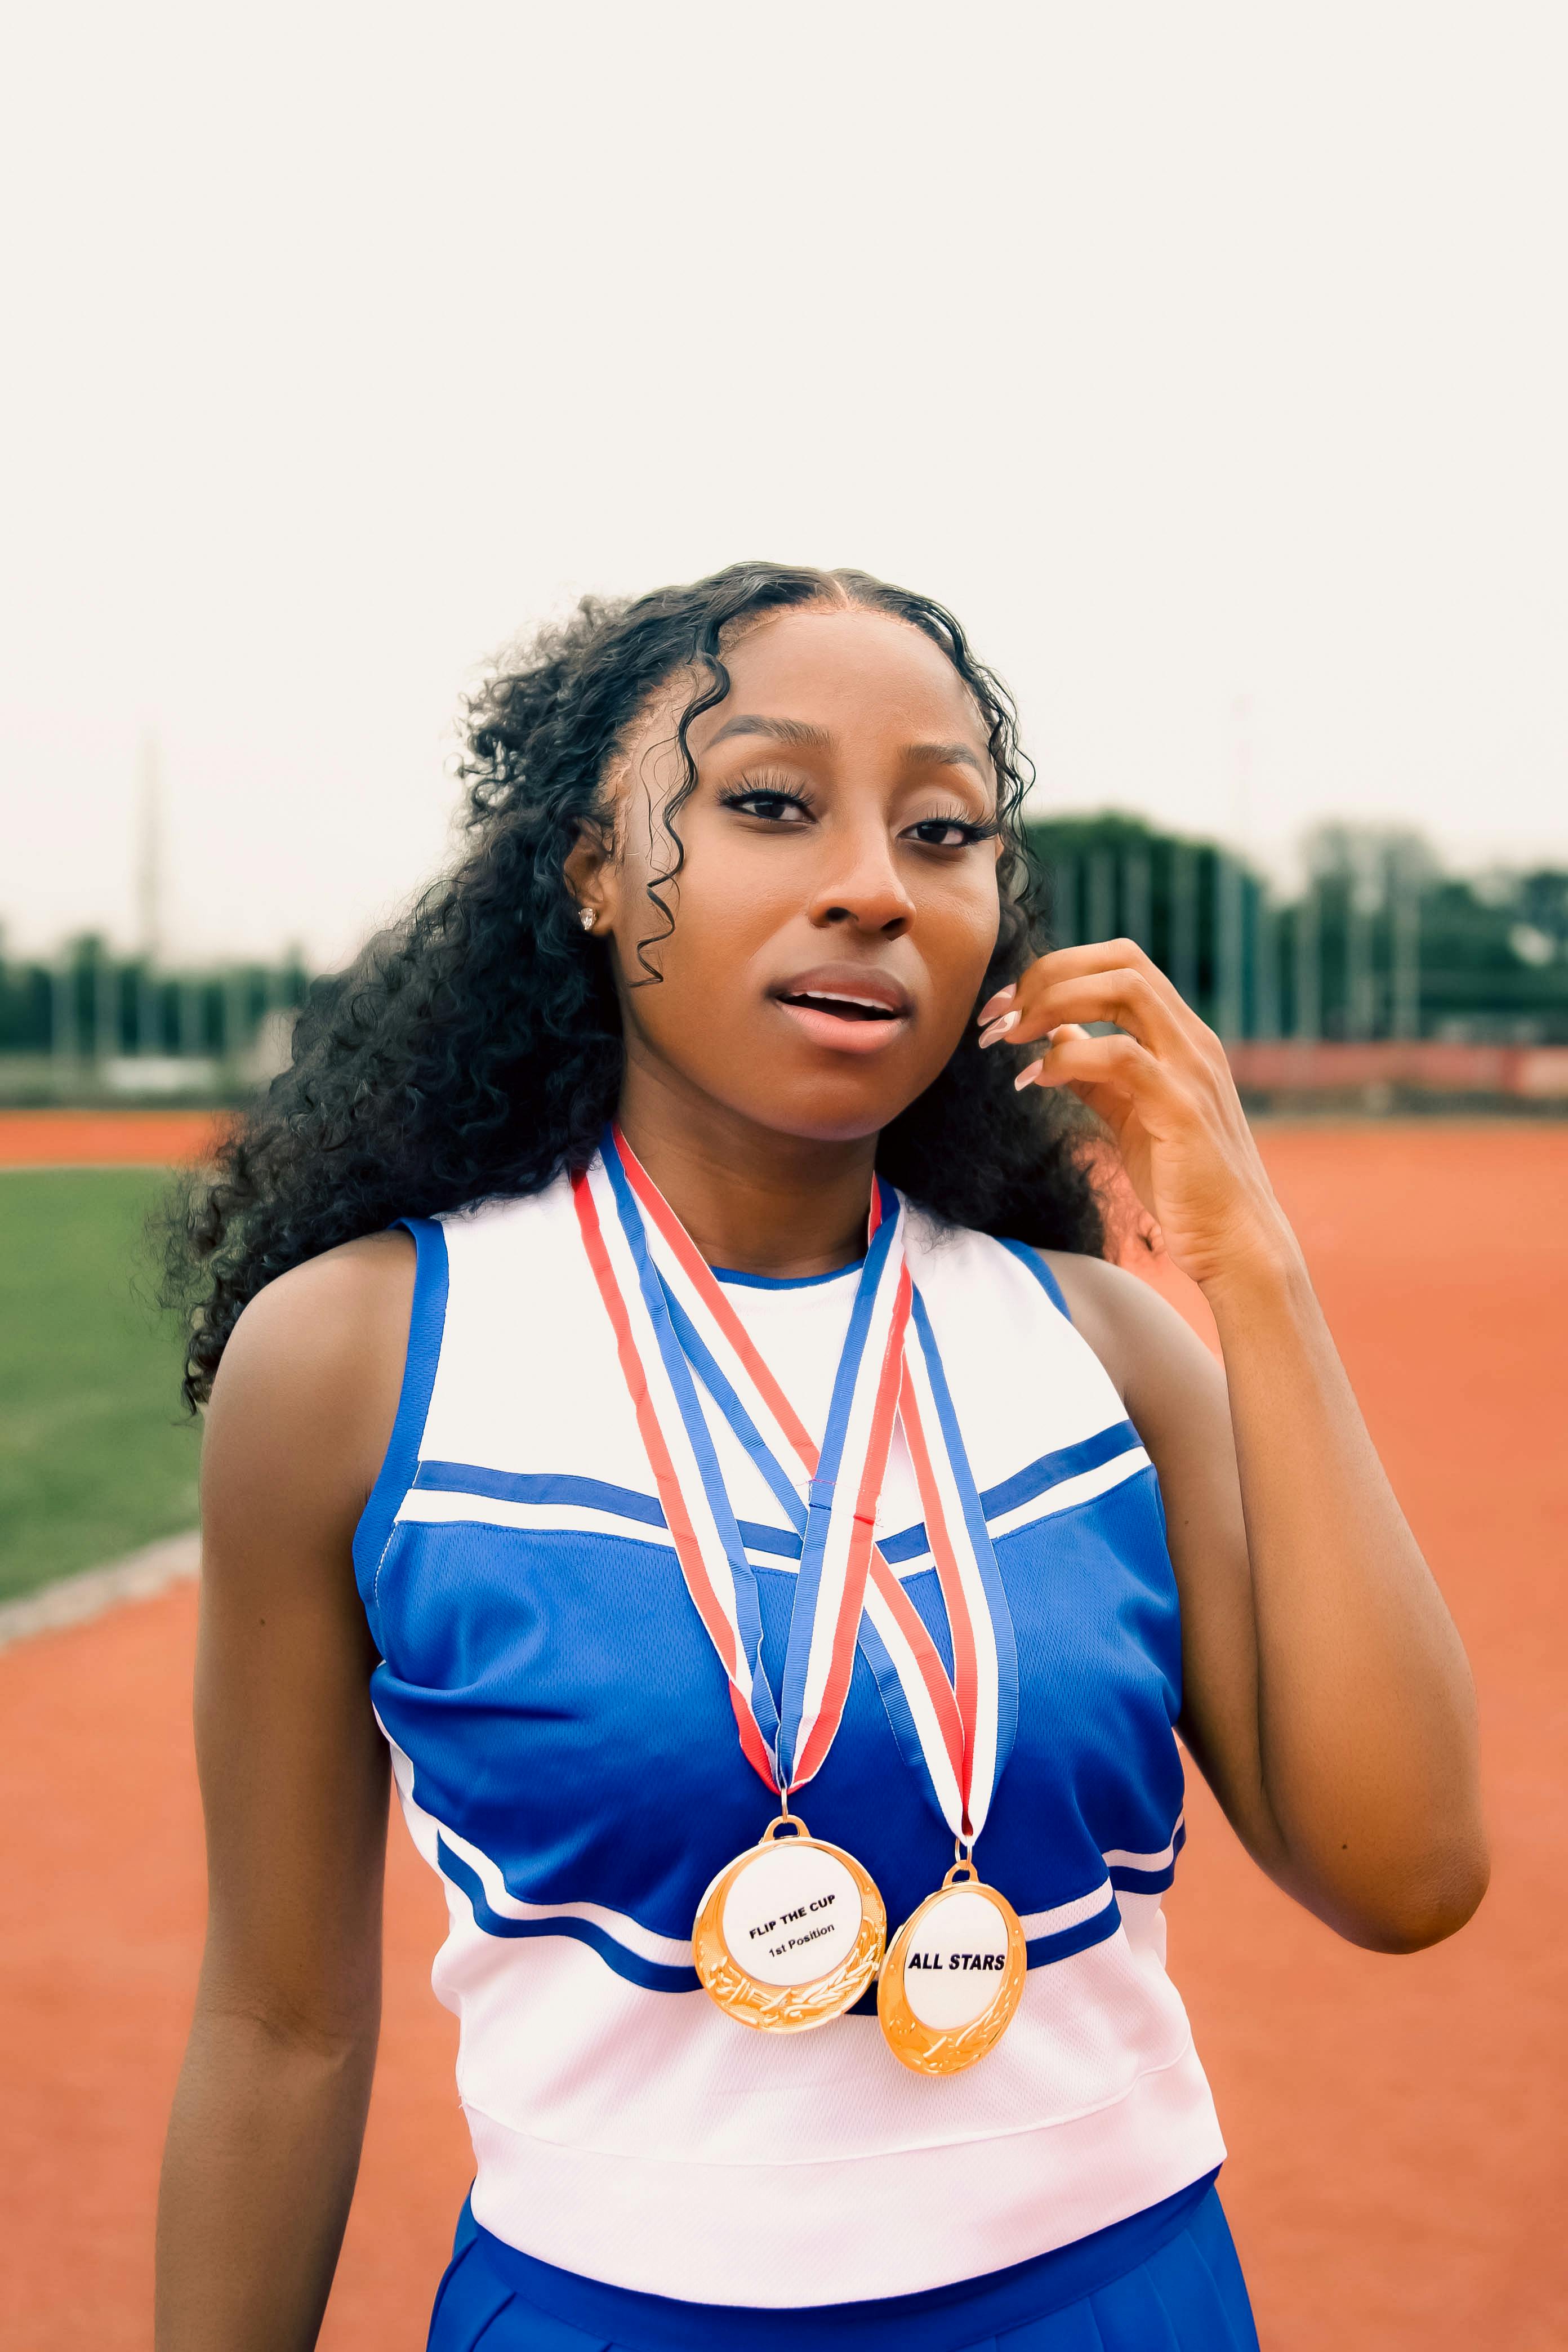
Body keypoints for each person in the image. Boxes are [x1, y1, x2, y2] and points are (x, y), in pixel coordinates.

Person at [155, 563, 1487, 2352]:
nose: (874, 882)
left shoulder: (1107, 1352)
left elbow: (1408, 1873)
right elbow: (278, 2024)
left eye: (944, 830)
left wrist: (1256, 1273)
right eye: (770, 803)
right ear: (592, 868)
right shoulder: (356, 1357)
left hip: (1119, 2301)